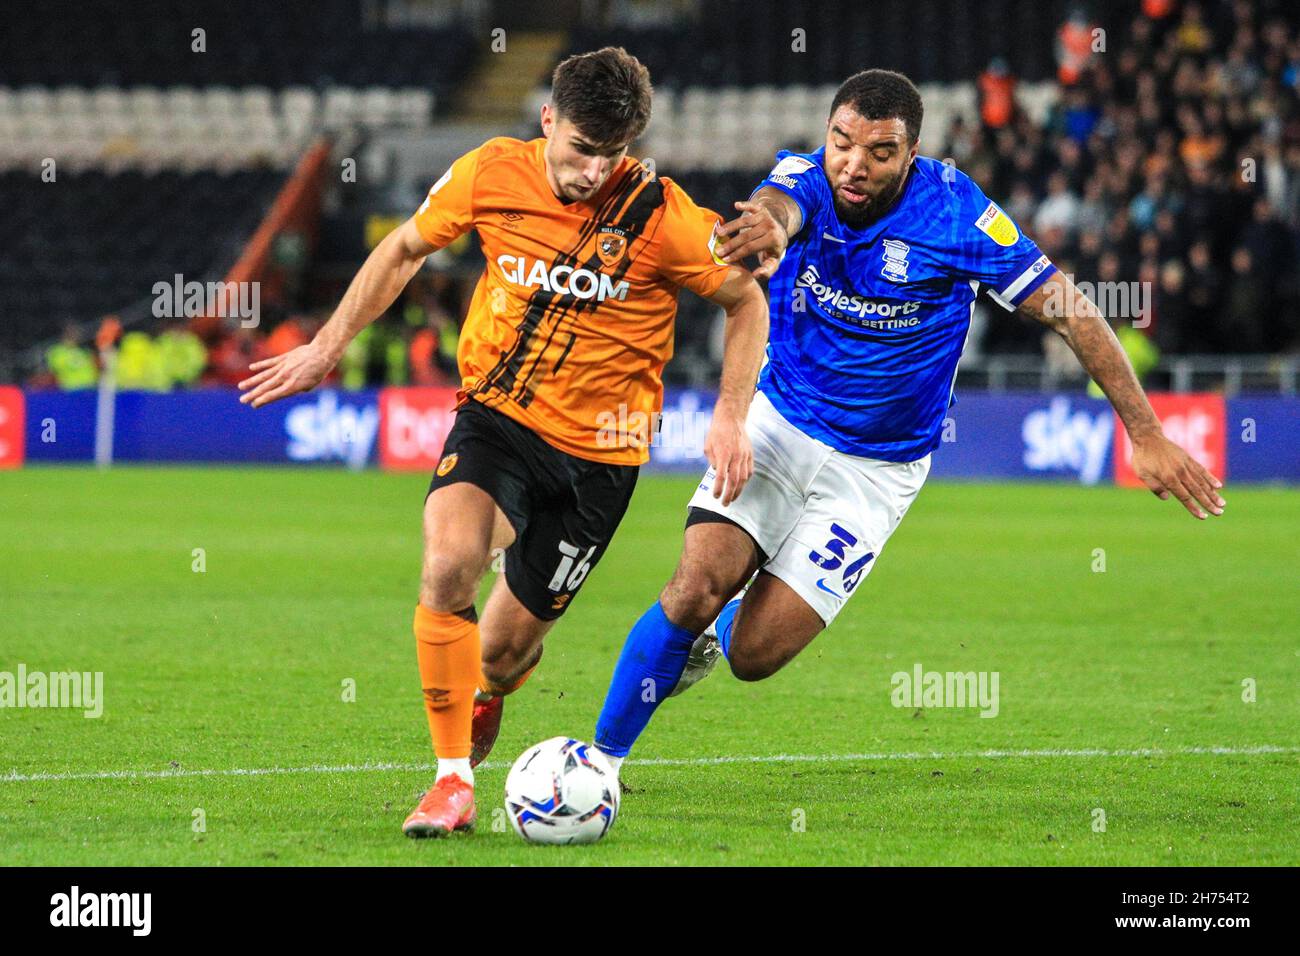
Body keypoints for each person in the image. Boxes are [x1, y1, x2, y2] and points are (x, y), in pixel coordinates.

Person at [588, 69, 1226, 779]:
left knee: (755, 656)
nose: (854, 165)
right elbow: (778, 205)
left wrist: (1145, 432)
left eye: (879, 152)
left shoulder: (958, 215)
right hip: (782, 422)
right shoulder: (804, 179)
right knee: (695, 583)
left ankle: (720, 630)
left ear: (912, 152)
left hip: (879, 469)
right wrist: (768, 225)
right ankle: (598, 766)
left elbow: (1070, 309)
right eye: (841, 142)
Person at [236, 47, 769, 837]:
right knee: (449, 560)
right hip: (497, 417)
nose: (594, 171)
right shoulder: (490, 172)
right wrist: (327, 346)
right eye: (581, 149)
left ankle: (487, 691)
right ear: (547, 119)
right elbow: (405, 248)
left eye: (611, 155)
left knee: (503, 654)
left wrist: (728, 412)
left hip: (601, 459)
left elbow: (745, 299)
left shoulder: (662, 218)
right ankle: (452, 784)